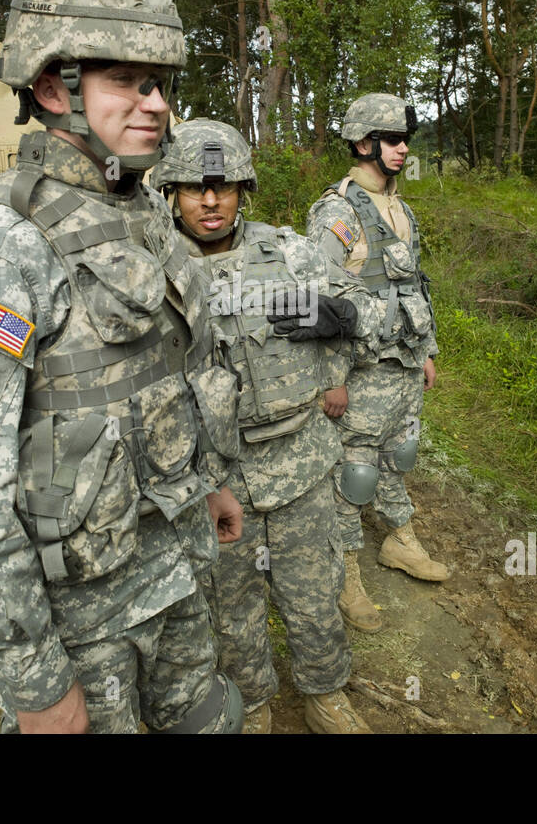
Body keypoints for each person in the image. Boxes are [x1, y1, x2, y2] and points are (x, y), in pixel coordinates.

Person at [0, 0, 246, 734]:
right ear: (55, 87)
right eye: (129, 81)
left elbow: (171, 374)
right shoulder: (1, 246)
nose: (156, 105)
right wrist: (34, 679)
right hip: (84, 627)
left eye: (160, 84)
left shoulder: (143, 212)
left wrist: (210, 486)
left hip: (177, 573)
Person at [153, 117, 378, 734]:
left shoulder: (291, 252)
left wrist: (340, 314)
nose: (209, 200)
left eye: (223, 187)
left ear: (243, 189)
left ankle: (326, 694)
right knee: (232, 610)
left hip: (301, 462)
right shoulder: (153, 269)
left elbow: (375, 310)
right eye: (195, 187)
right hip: (217, 477)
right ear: (171, 191)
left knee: (312, 596)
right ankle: (253, 705)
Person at [306, 93, 446, 635]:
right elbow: (321, 302)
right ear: (364, 143)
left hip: (404, 364)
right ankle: (346, 573)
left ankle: (398, 538)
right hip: (359, 371)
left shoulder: (400, 208)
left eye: (404, 139)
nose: (403, 149)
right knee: (355, 474)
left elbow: (414, 286)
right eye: (392, 140)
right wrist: (331, 378)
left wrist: (428, 350)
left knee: (399, 454)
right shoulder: (337, 212)